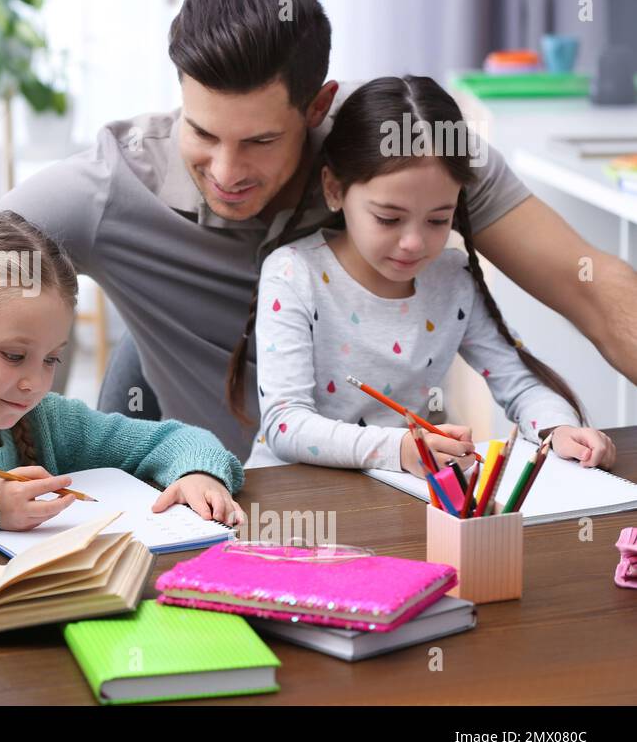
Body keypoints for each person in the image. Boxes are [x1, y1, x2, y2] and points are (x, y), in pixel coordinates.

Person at [0, 0, 637, 458]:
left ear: (318, 105)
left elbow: (598, 290)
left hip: (414, 492)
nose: (226, 172)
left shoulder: (406, 166)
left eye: (259, 141)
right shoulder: (110, 187)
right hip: (228, 499)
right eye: (201, 131)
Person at [236, 75, 616, 474]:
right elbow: (285, 424)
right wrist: (400, 448)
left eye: (438, 219)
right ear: (334, 190)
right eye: (388, 218)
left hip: (397, 494)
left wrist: (557, 429)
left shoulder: (451, 279)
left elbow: (520, 384)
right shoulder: (294, 273)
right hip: (290, 492)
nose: (414, 243)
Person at [0, 211, 244, 543]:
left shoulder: (49, 422)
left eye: (51, 359)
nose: (34, 382)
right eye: (14, 355)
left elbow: (177, 439)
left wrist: (199, 472)